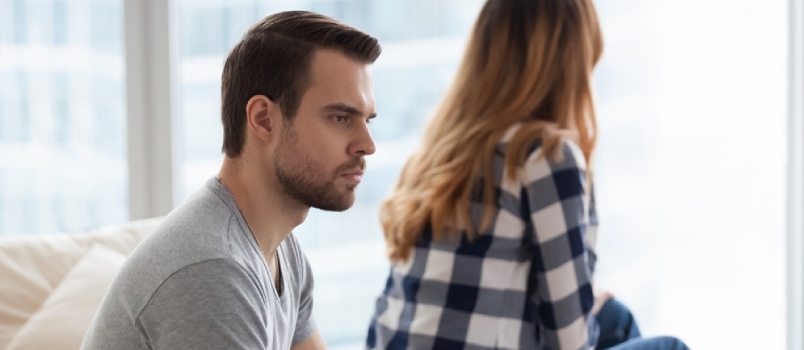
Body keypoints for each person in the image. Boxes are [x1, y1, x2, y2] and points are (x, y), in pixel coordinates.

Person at [365, 0, 687, 349]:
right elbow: (570, 342)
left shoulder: (441, 150)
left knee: (614, 318)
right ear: (572, 63)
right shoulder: (545, 155)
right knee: (667, 346)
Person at [81, 11, 380, 350]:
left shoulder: (280, 249)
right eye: (340, 118)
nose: (367, 145)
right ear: (264, 119)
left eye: (367, 120)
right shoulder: (212, 272)